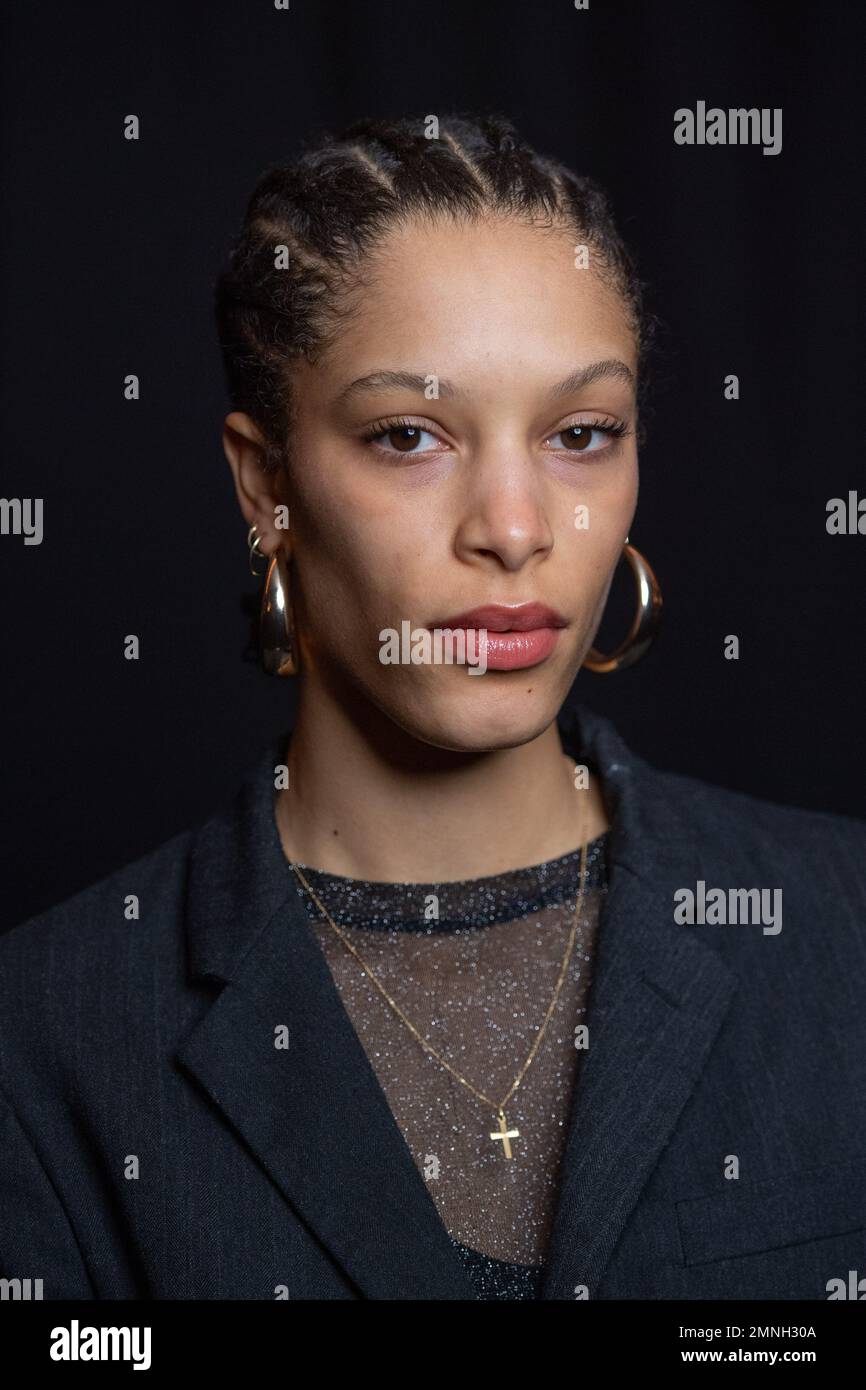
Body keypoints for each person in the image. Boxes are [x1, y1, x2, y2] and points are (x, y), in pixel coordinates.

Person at [1, 113, 864, 1302]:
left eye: (579, 435)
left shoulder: (839, 929)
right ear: (267, 485)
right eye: (408, 435)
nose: (512, 528)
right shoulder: (46, 1035)